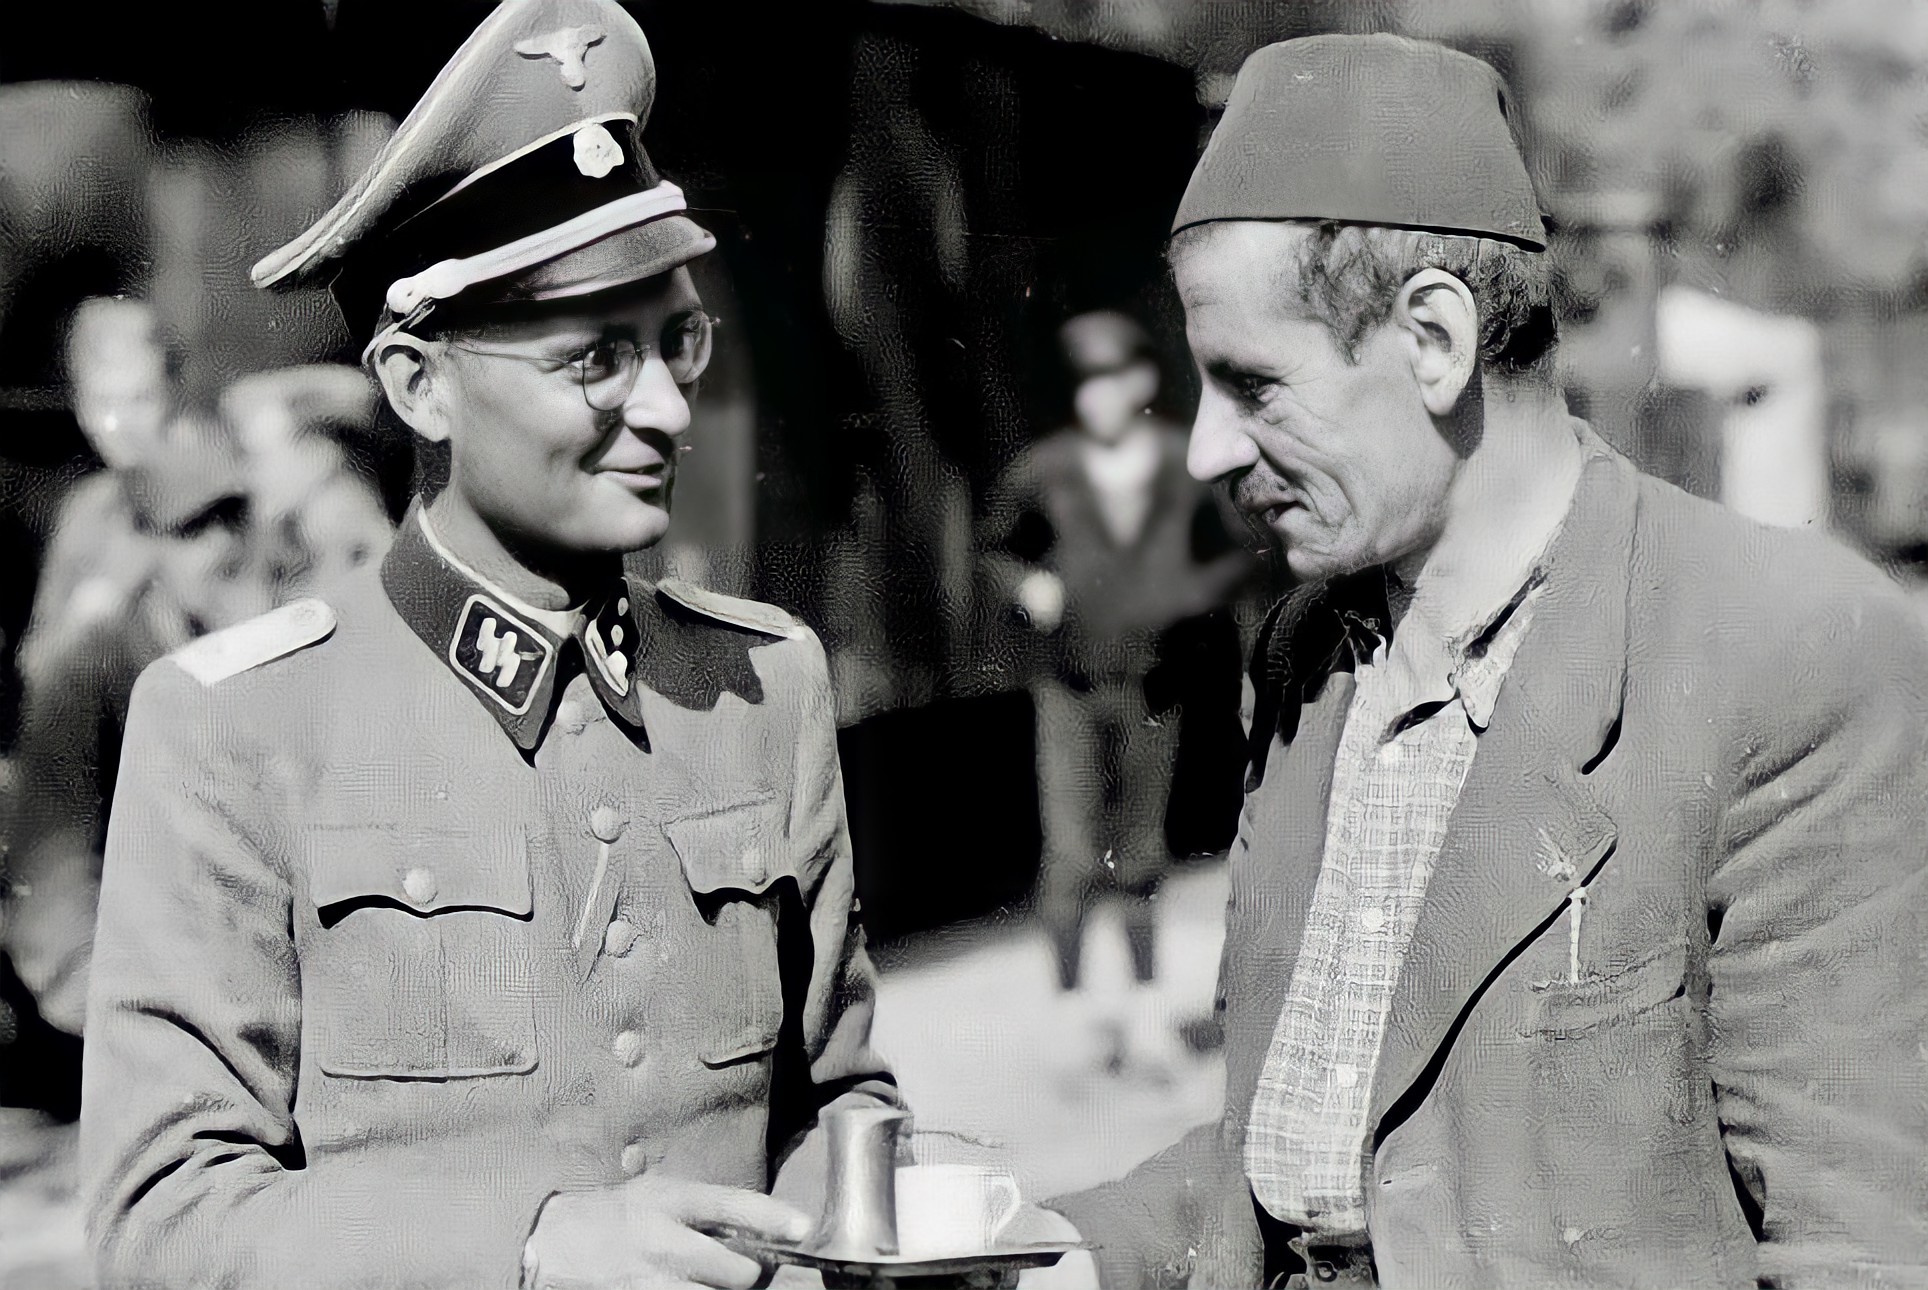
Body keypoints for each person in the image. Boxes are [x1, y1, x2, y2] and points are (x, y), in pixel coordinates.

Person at [1050, 34, 1928, 1289]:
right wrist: (1050, 1252)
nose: (1204, 451)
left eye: (1251, 383)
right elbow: (1316, 1154)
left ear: (1432, 339)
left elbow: (1860, 1244)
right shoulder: (1309, 652)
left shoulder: (1786, 653)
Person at [78, 5, 896, 1288]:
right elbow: (162, 1219)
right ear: (420, 386)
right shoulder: (234, 726)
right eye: (595, 360)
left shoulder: (762, 685)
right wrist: (528, 1244)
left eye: (678, 340)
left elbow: (837, 1105)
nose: (667, 408)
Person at [983, 311, 1251, 1078]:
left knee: (1138, 852)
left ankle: (1140, 1011)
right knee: (1071, 851)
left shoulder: (1177, 463)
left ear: (1140, 382)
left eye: (1116, 379)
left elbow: (1232, 558)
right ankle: (1074, 1017)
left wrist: (1179, 599)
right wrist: (1028, 580)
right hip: (1068, 685)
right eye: (1089, 383)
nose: (1103, 397)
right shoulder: (1048, 469)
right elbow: (995, 547)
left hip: (1153, 685)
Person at [3, 298, 261, 1050]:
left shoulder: (227, 478)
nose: (121, 426)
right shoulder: (90, 516)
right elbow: (47, 677)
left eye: (140, 400)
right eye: (103, 405)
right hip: (108, 814)